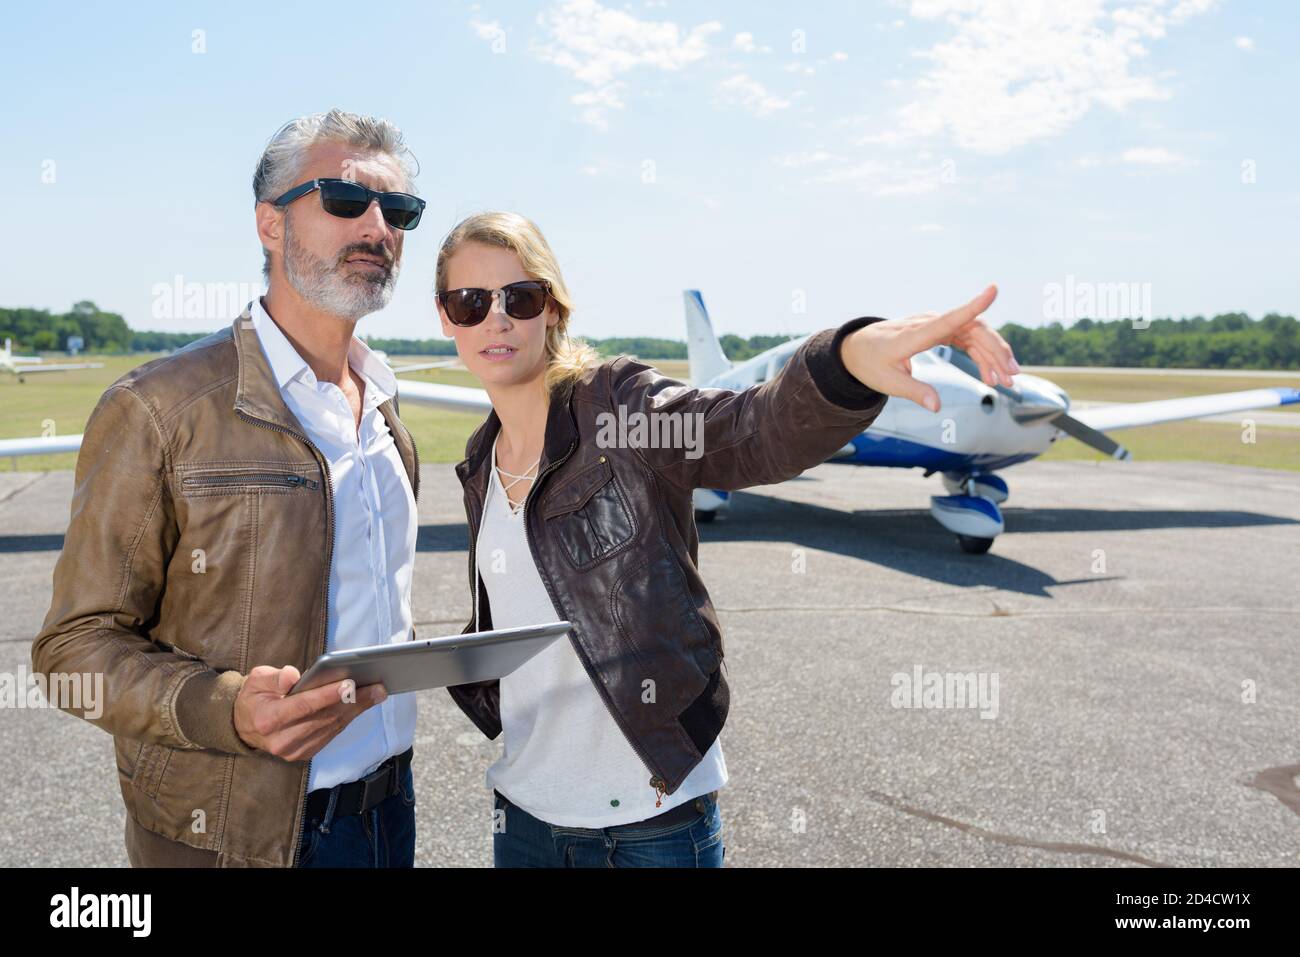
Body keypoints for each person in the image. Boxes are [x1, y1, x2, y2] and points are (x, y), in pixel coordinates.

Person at [435, 211, 1018, 867]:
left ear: (553, 307)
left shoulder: (620, 408)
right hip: (525, 819)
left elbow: (749, 429)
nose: (497, 318)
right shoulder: (479, 461)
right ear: (446, 317)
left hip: (651, 821)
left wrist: (846, 361)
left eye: (520, 296)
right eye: (470, 302)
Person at [32, 109, 427, 867]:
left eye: (398, 210)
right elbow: (72, 650)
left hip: (387, 816)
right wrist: (226, 709)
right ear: (269, 224)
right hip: (229, 838)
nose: (379, 226)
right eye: (346, 200)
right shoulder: (158, 407)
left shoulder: (385, 411)